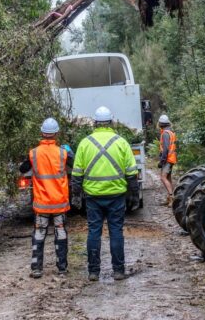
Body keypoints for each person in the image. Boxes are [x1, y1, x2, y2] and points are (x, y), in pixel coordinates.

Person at [71, 106, 140, 281]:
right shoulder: (121, 142)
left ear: (95, 123)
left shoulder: (85, 143)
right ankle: (118, 271)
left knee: (94, 232)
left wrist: (76, 195)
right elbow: (132, 172)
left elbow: (77, 173)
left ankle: (94, 272)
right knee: (116, 231)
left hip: (93, 197)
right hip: (116, 196)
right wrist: (134, 195)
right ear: (111, 123)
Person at [19, 117, 73, 278]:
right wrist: (70, 153)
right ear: (56, 133)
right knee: (61, 233)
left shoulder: (34, 153)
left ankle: (36, 268)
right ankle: (62, 268)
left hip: (42, 203)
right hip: (59, 203)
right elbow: (76, 165)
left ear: (42, 133)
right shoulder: (63, 153)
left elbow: (23, 169)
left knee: (39, 233)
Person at [157, 114, 177, 206]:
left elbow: (165, 149)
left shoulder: (165, 134)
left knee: (163, 178)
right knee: (168, 178)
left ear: (161, 124)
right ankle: (170, 199)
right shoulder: (170, 132)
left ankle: (172, 198)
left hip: (167, 159)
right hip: (171, 158)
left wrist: (162, 161)